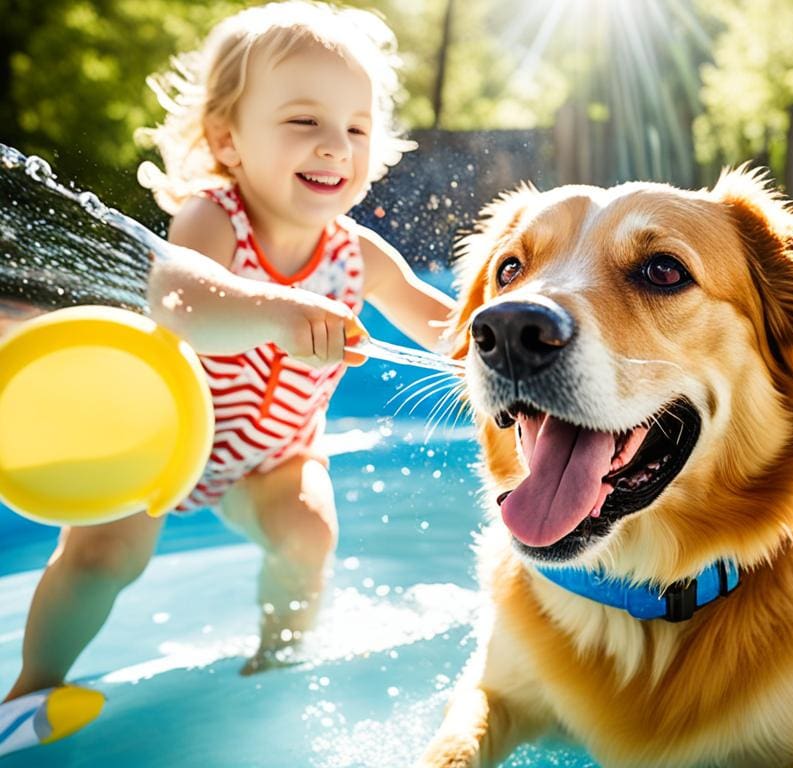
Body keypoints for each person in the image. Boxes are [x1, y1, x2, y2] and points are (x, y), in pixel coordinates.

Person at [3, 0, 455, 708]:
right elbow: (182, 303)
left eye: (356, 128)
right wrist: (279, 311)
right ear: (230, 139)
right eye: (305, 121)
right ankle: (30, 692)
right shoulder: (214, 218)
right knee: (100, 557)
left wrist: (506, 354)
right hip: (164, 435)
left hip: (269, 457)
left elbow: (441, 323)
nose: (335, 144)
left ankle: (274, 665)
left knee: (309, 534)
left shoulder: (356, 254)